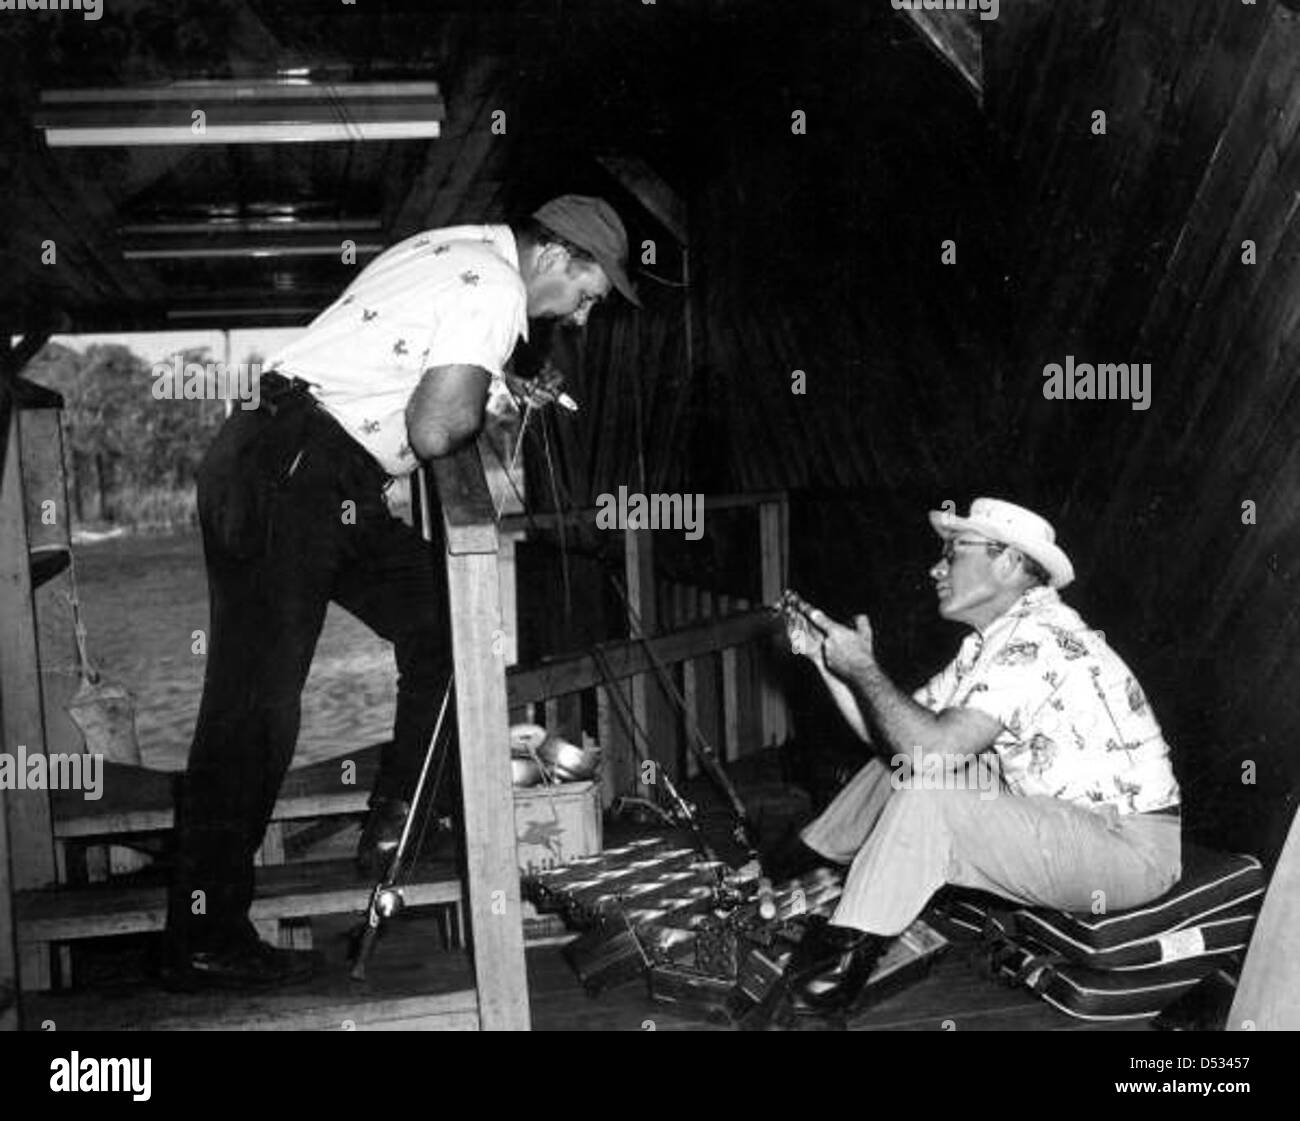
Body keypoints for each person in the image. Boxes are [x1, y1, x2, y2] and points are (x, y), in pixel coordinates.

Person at [160, 196, 641, 990]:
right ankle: (203, 937)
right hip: (295, 471)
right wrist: (483, 401)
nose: (581, 319)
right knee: (252, 706)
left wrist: (481, 394)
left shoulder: (456, 247)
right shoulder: (495, 287)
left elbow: (412, 387)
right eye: (587, 295)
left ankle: (399, 823)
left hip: (310, 469)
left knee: (450, 624)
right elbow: (433, 427)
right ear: (556, 256)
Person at [767, 497, 1182, 1021]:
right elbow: (897, 738)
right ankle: (803, 864)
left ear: (1009, 562)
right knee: (902, 764)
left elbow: (930, 754)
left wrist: (867, 670)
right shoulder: (991, 642)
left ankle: (826, 983)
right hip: (1069, 822)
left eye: (954, 552)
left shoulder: (1037, 638)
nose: (936, 567)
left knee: (931, 789)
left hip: (1127, 847)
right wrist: (834, 667)